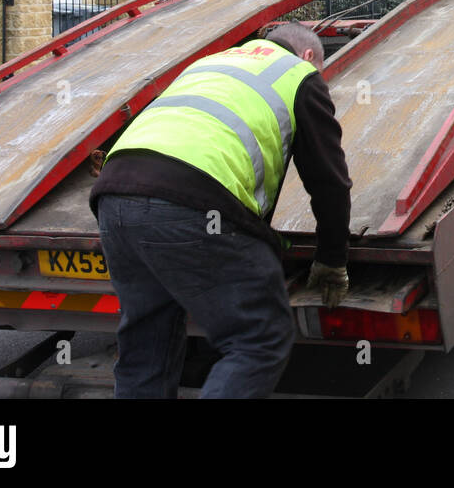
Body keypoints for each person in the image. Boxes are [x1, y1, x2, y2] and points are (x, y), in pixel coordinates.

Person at [89, 21, 352, 398]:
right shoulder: (299, 75)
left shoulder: (211, 63)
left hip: (114, 197)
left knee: (147, 346)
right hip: (190, 203)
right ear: (309, 56)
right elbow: (328, 181)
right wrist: (332, 258)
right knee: (259, 337)